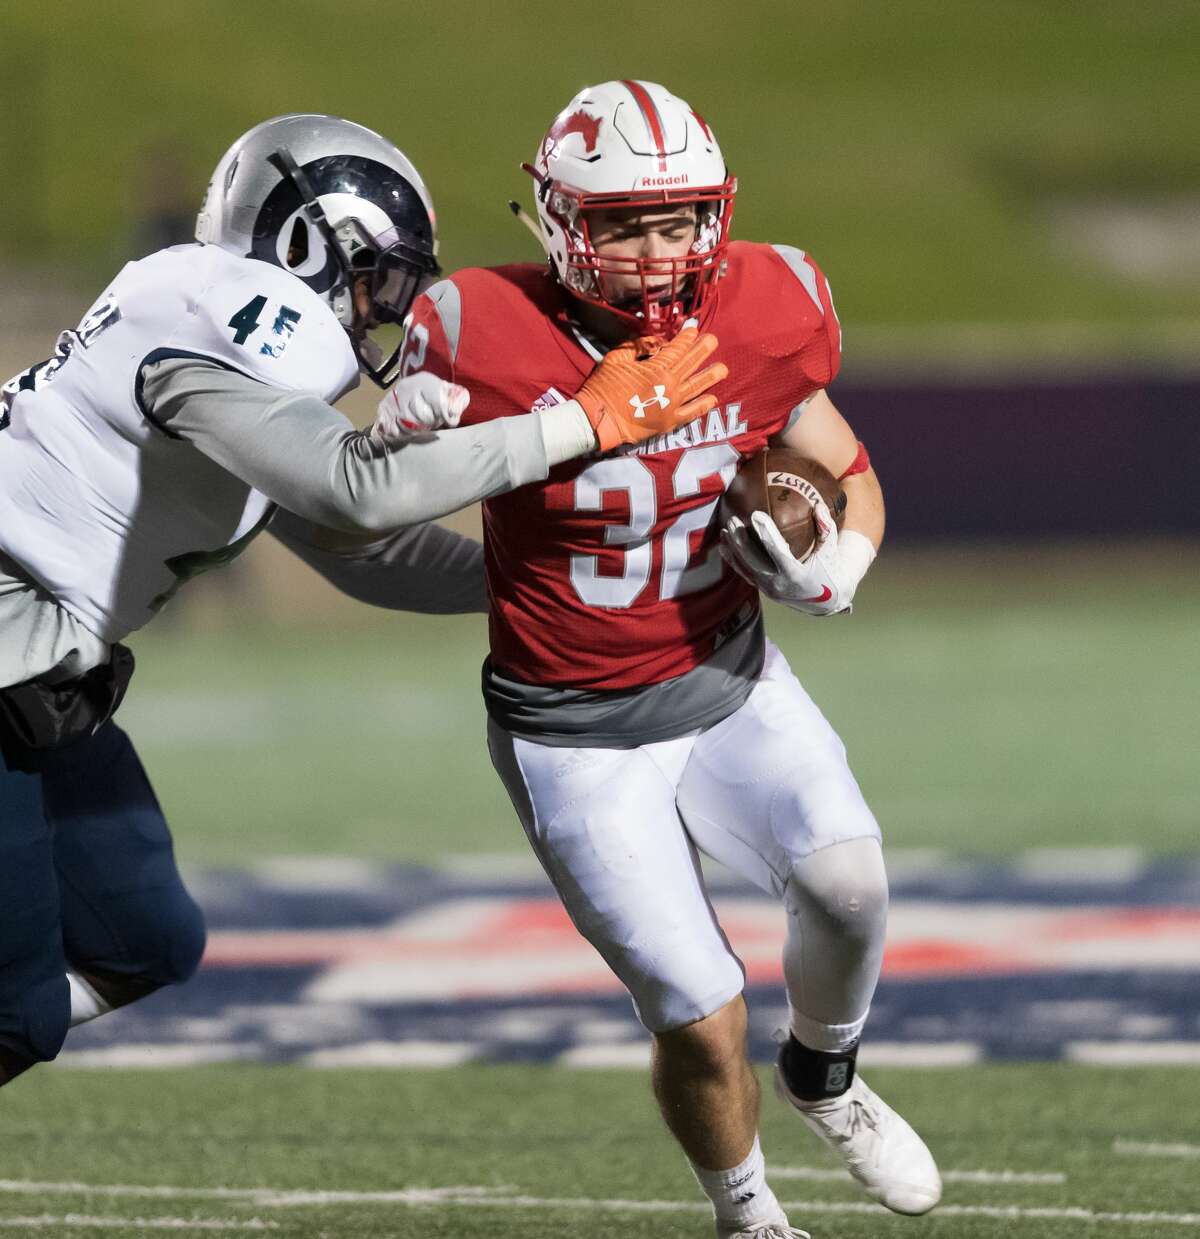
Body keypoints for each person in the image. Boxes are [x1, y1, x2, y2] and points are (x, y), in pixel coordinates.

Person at [0, 112, 725, 1087]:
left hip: (40, 670)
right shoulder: (228, 315)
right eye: (379, 278)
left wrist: (550, 587)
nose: (385, 312)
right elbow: (360, 489)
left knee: (143, 939)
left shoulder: (207, 322)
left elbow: (359, 549)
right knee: (19, 1014)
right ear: (311, 239)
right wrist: (589, 422)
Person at [398, 80, 942, 1238]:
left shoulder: (765, 304)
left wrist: (835, 568)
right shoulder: (478, 331)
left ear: (719, 214)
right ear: (562, 224)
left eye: (680, 220)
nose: (658, 253)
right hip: (573, 728)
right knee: (699, 1012)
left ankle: (825, 1077)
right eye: (623, 224)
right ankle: (749, 1220)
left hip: (727, 680)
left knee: (851, 886)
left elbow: (849, 469)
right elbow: (365, 494)